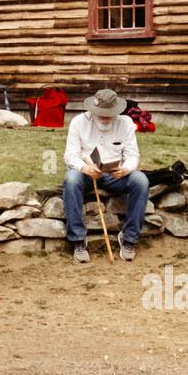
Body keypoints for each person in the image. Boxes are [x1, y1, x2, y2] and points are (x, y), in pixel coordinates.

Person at [62, 89, 150, 264]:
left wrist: (125, 169)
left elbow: (133, 156)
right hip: (86, 173)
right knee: (71, 179)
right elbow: (70, 156)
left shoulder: (126, 123)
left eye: (109, 113)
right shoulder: (78, 122)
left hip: (116, 175)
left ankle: (129, 238)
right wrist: (84, 168)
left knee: (141, 181)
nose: (105, 117)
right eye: (101, 113)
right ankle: (78, 240)